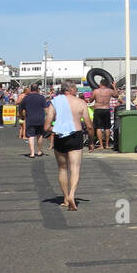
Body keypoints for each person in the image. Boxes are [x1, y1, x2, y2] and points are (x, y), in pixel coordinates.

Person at [45, 81, 93, 209]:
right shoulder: (81, 102)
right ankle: (72, 194)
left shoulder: (55, 101)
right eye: (76, 89)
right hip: (75, 135)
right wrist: (92, 142)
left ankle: (66, 198)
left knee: (62, 168)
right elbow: (89, 125)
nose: (77, 91)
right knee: (75, 168)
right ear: (71, 89)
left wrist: (55, 131)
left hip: (60, 136)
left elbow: (47, 126)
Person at [20, 83, 49, 157]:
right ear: (38, 89)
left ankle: (32, 153)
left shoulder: (26, 98)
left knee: (31, 136)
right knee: (40, 135)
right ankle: (39, 151)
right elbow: (46, 109)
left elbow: (20, 108)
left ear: (30, 89)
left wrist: (21, 116)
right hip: (40, 119)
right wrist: (48, 118)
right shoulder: (41, 97)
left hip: (30, 119)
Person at [91, 80, 115, 149]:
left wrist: (92, 98)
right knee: (107, 127)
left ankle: (101, 145)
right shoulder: (110, 91)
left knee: (98, 127)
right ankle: (107, 145)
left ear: (100, 84)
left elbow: (91, 100)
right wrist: (114, 86)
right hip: (106, 109)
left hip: (98, 109)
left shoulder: (96, 91)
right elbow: (116, 95)